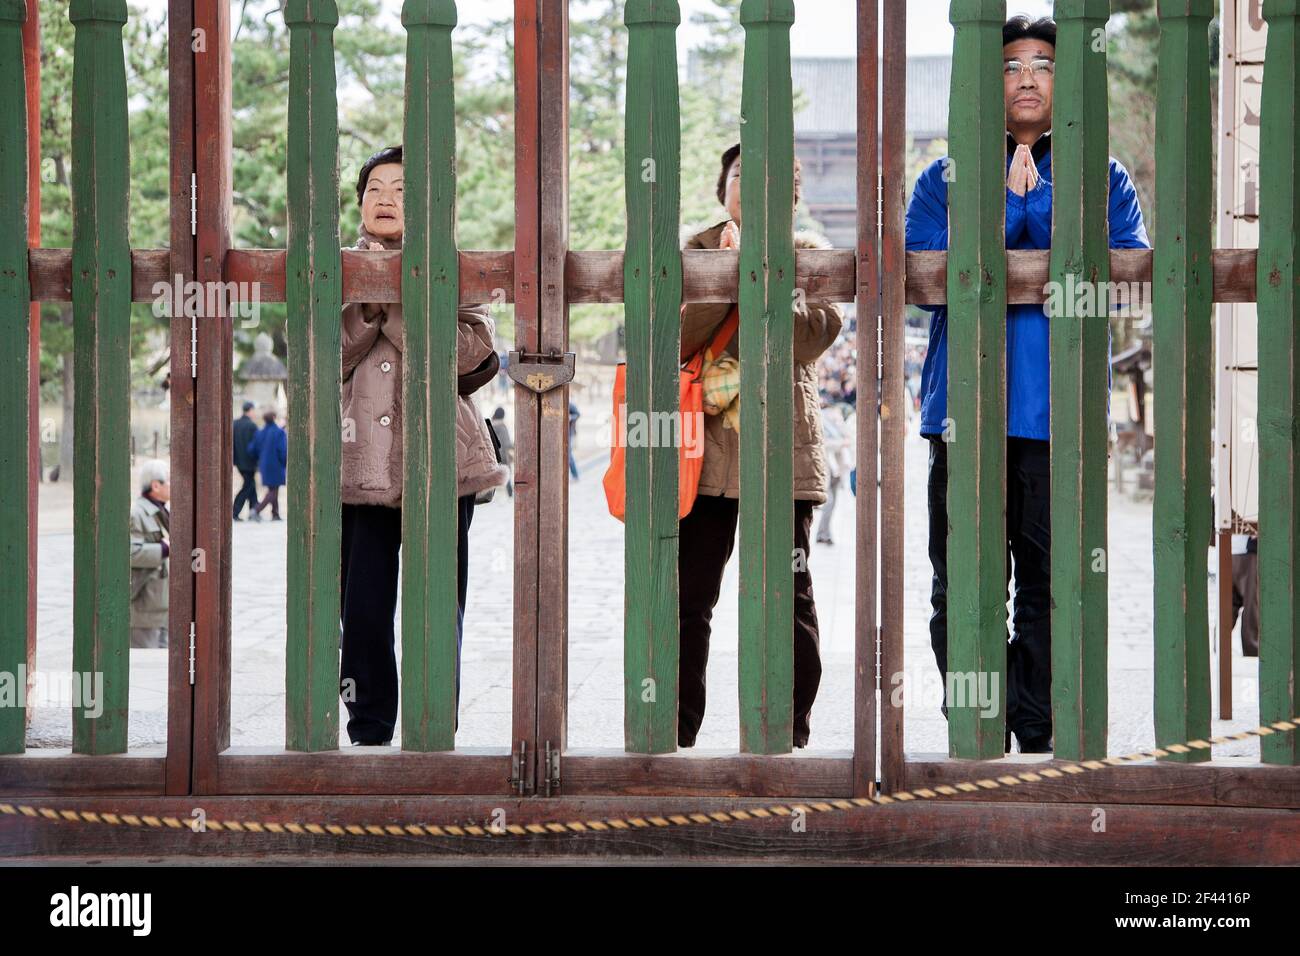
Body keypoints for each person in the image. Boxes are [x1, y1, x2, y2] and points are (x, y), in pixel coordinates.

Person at [905, 14, 1150, 753]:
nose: (1028, 78)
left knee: (1049, 581)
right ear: (990, 81)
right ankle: (977, 720)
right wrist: (1009, 205)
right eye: (1012, 66)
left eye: (1043, 64)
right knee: (962, 586)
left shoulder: (1102, 174)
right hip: (964, 415)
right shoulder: (942, 177)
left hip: (1060, 414)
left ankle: (1038, 724)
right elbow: (925, 277)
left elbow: (1127, 274)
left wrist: (1033, 200)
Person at [676, 143, 843, 749]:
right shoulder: (692, 252)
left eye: (781, 177)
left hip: (782, 448)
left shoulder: (810, 256)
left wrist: (762, 275)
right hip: (700, 449)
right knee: (686, 596)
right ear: (723, 187)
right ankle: (673, 726)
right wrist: (726, 278)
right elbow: (671, 332)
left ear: (795, 195)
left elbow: (811, 335)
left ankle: (787, 726)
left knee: (786, 594)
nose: (759, 185)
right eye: (744, 174)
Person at [339, 145, 507, 747]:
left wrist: (399, 304)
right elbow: (321, 351)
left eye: (404, 190)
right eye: (375, 188)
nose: (385, 200)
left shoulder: (454, 268)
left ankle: (437, 721)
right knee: (361, 605)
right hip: (358, 465)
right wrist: (367, 300)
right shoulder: (334, 266)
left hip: (441, 462)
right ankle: (369, 725)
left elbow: (470, 353)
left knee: (439, 602)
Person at [129, 459, 171, 649]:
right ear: (156, 485)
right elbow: (130, 552)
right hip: (144, 606)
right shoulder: (136, 514)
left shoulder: (162, 511)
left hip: (162, 605)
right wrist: (163, 549)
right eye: (169, 480)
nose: (173, 485)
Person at [816, 401, 852, 546]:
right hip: (826, 467)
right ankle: (822, 533)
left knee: (834, 502)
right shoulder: (822, 424)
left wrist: (840, 423)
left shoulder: (837, 425)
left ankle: (826, 533)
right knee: (828, 502)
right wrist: (840, 443)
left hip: (837, 468)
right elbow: (823, 443)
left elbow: (849, 436)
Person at [248, 409, 287, 521]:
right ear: (274, 417)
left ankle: (275, 514)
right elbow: (282, 450)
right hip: (276, 464)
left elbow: (252, 449)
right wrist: (284, 463)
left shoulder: (260, 432)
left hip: (264, 464)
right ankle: (256, 510)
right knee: (273, 490)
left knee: (273, 488)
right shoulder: (279, 432)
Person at [232, 400, 259, 520]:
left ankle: (254, 510)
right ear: (250, 410)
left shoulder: (235, 424)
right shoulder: (252, 426)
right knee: (248, 486)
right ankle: (235, 511)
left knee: (251, 484)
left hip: (238, 461)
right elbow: (256, 445)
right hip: (250, 461)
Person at [490, 406, 515, 498]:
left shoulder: (491, 425)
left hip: (492, 454)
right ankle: (510, 493)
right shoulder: (502, 427)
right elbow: (506, 443)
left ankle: (491, 493)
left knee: (493, 473)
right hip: (503, 455)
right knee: (506, 473)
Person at [568, 401, 581, 480]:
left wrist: (570, 417)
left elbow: (577, 414)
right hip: (562, 433)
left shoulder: (570, 404)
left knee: (568, 455)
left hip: (569, 433)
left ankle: (575, 475)